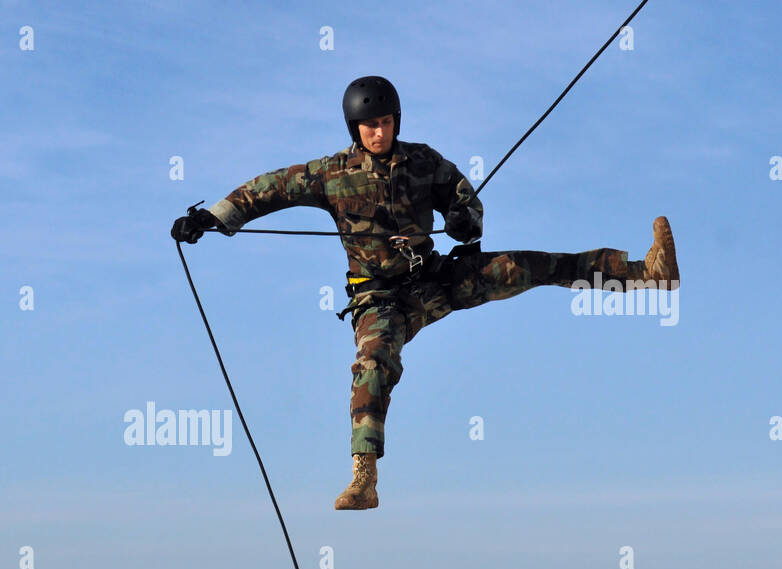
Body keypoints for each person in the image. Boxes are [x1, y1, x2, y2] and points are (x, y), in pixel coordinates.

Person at [171, 75, 679, 511]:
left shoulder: (424, 162)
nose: (380, 131)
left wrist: (461, 221)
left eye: (387, 122)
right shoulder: (329, 175)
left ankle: (644, 272)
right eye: (370, 125)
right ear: (355, 129)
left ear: (397, 121)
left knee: (531, 266)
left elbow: (468, 211)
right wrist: (209, 219)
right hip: (380, 300)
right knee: (374, 363)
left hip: (435, 279)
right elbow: (266, 190)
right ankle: (364, 477)